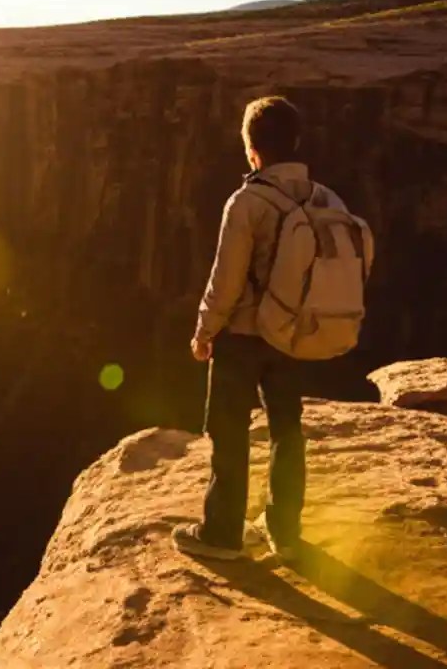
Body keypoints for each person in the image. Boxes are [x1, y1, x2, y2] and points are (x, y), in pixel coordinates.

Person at [172, 96, 348, 563]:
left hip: (243, 336)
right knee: (287, 428)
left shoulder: (247, 201)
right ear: (294, 144)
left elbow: (225, 278)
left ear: (251, 150)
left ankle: (223, 534)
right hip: (292, 333)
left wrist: (204, 331)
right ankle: (285, 531)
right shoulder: (321, 197)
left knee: (228, 432)